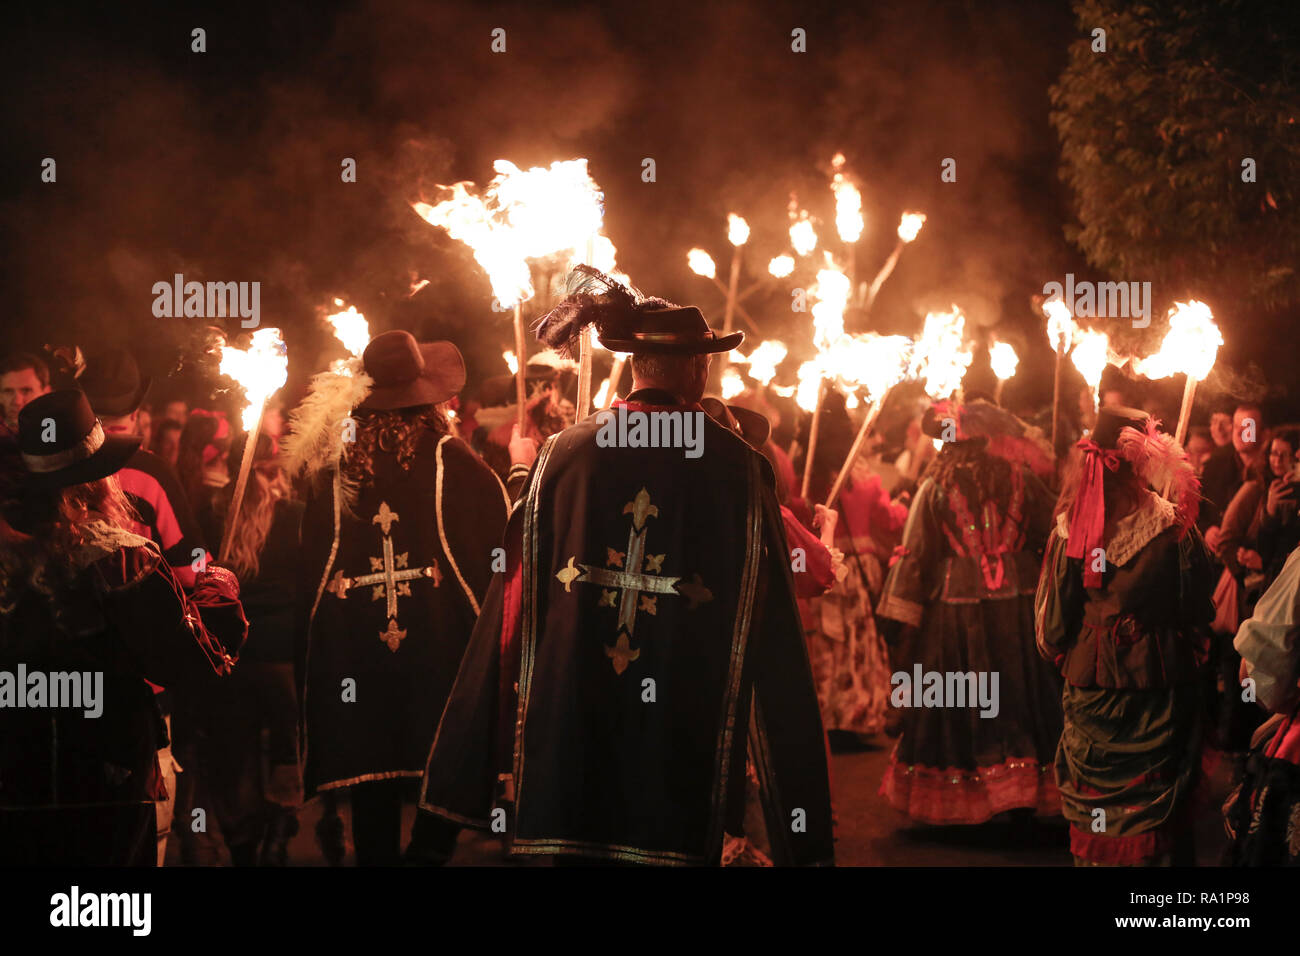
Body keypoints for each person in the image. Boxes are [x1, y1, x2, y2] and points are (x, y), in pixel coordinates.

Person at [419, 267, 834, 866]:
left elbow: (515, 596)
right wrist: (800, 824)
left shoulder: (564, 454)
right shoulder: (739, 468)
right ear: (698, 368)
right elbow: (766, 625)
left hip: (571, 718)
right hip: (682, 717)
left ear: (637, 365)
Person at [0, 390, 246, 865]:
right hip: (105, 781)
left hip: (15, 783)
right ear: (96, 482)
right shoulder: (122, 558)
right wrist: (219, 588)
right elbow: (191, 659)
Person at [292, 330, 509, 865]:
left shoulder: (334, 472)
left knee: (374, 774)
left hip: (355, 655)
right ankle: (427, 855)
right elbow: (501, 545)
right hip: (438, 650)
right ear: (430, 399)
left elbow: (309, 567)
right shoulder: (454, 461)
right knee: (445, 763)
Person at [1035, 406, 1215, 865]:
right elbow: (1198, 610)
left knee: (1099, 807)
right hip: (1159, 692)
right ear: (1141, 460)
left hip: (1092, 691)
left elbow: (1052, 628)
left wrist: (1076, 649)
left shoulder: (1068, 532)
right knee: (1157, 813)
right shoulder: (1175, 529)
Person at [875, 399, 1062, 825]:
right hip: (1018, 609)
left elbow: (916, 556)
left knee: (967, 696)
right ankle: (1021, 790)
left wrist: (898, 619)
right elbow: (1055, 532)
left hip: (956, 618)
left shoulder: (934, 486)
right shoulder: (1021, 478)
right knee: (1020, 696)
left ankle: (976, 797)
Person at [79, 346, 213, 864]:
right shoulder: (151, 473)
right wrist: (216, 578)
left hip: (60, 678)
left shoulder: (39, 469)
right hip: (142, 682)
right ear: (137, 415)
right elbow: (190, 568)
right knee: (144, 816)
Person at [196, 433, 305, 865]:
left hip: (233, 654)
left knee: (234, 751)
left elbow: (199, 575)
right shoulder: (294, 514)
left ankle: (243, 843)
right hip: (280, 654)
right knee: (285, 748)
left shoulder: (211, 511)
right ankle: (279, 830)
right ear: (275, 468)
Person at [1201, 402, 1267, 535]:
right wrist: (1207, 529)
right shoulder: (1214, 467)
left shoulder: (1273, 472)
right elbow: (1199, 510)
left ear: (1263, 433)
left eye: (1247, 426)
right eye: (1236, 426)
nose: (1238, 432)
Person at [0, 352, 51, 437]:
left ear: (46, 393)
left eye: (26, 390)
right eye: (8, 391)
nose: (17, 402)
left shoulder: (61, 434)